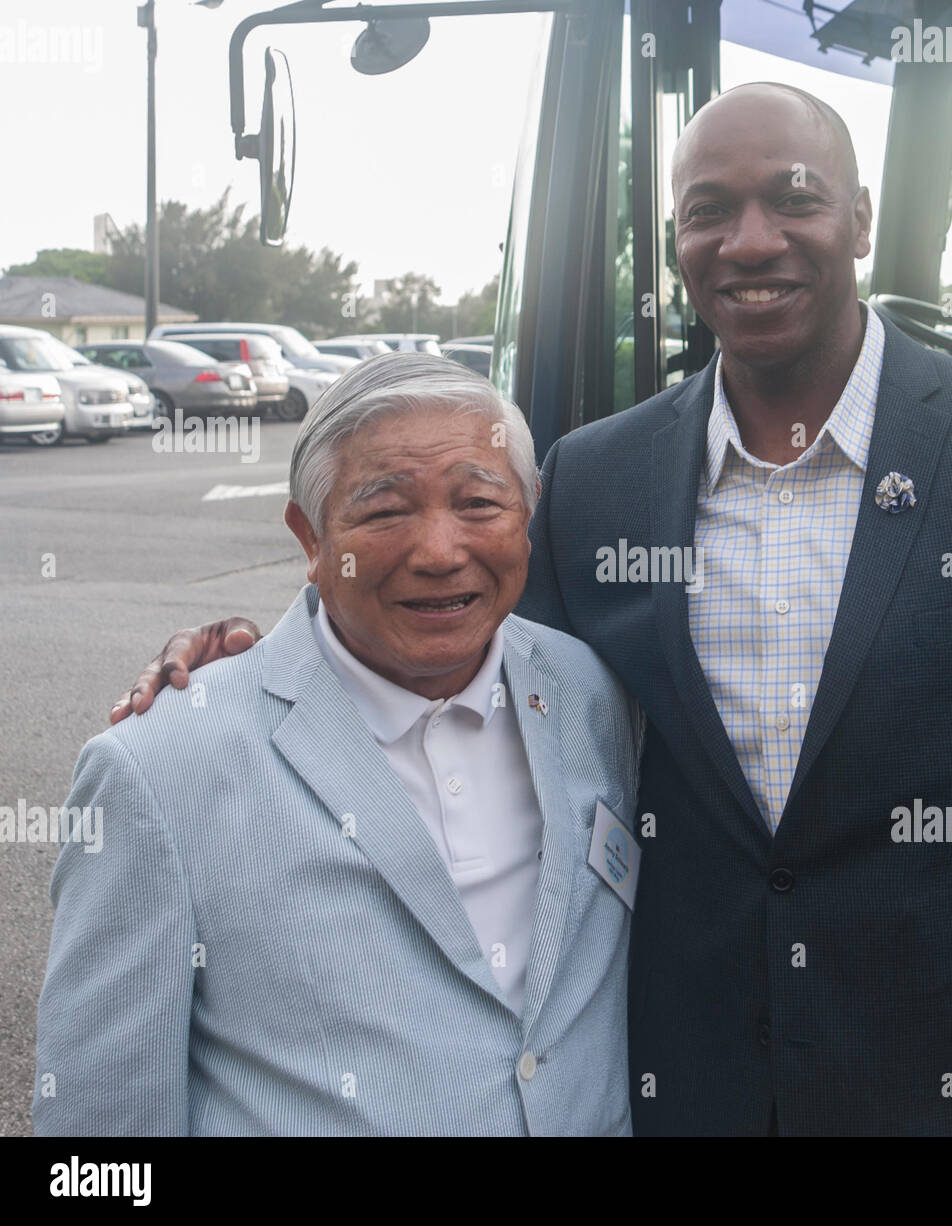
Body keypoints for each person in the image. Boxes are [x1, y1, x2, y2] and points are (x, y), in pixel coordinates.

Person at [110, 84, 952, 1136]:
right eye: (708, 211)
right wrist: (250, 664)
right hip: (682, 1094)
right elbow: (465, 656)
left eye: (795, 197)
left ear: (860, 217)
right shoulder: (597, 477)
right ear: (675, 243)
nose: (750, 240)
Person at [35, 354, 641, 1136]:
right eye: (385, 511)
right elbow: (95, 1141)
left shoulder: (593, 694)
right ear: (309, 537)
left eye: (479, 503)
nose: (439, 551)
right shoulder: (159, 770)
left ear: (528, 514)